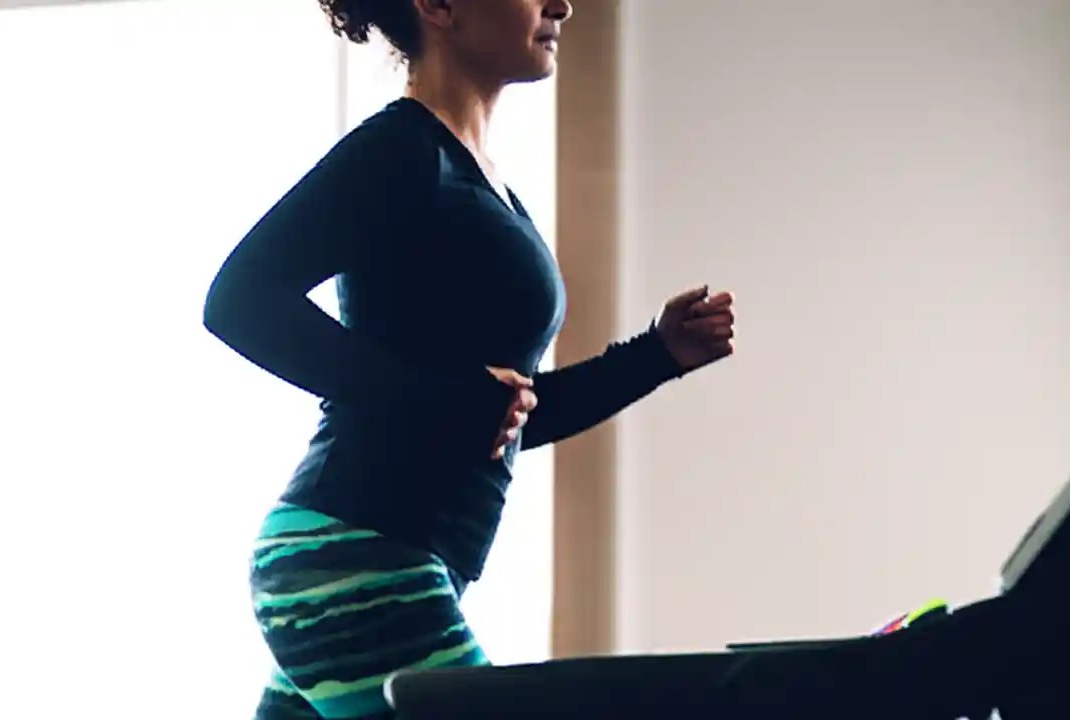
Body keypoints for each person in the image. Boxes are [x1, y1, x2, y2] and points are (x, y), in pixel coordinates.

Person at [202, 0, 735, 717]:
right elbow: (239, 300)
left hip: (371, 556)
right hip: (361, 552)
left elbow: (495, 422)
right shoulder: (399, 152)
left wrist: (656, 355)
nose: (562, 5)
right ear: (439, 5)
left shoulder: (479, 181)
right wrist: (442, 401)